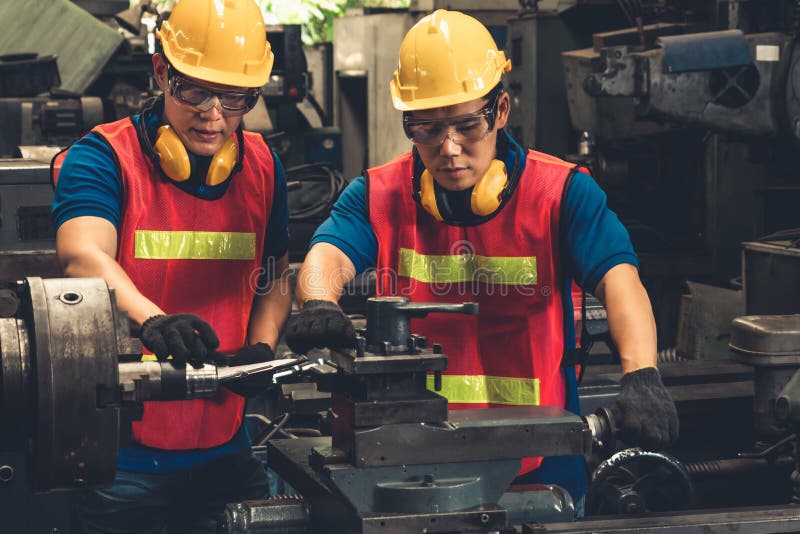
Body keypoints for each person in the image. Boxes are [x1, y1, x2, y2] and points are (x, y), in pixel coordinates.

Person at [285, 9, 678, 509]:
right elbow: (328, 254)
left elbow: (621, 280)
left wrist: (640, 373)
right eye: (425, 129)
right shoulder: (379, 193)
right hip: (411, 458)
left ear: (501, 110)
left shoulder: (560, 194)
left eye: (467, 125)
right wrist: (318, 300)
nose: (448, 149)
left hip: (541, 458)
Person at [51, 0, 291, 531]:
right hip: (122, 459)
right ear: (161, 71)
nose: (214, 114)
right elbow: (82, 256)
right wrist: (153, 320)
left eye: (235, 97)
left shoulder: (263, 167)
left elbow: (276, 274)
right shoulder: (103, 157)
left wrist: (264, 345)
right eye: (195, 90)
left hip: (226, 445)